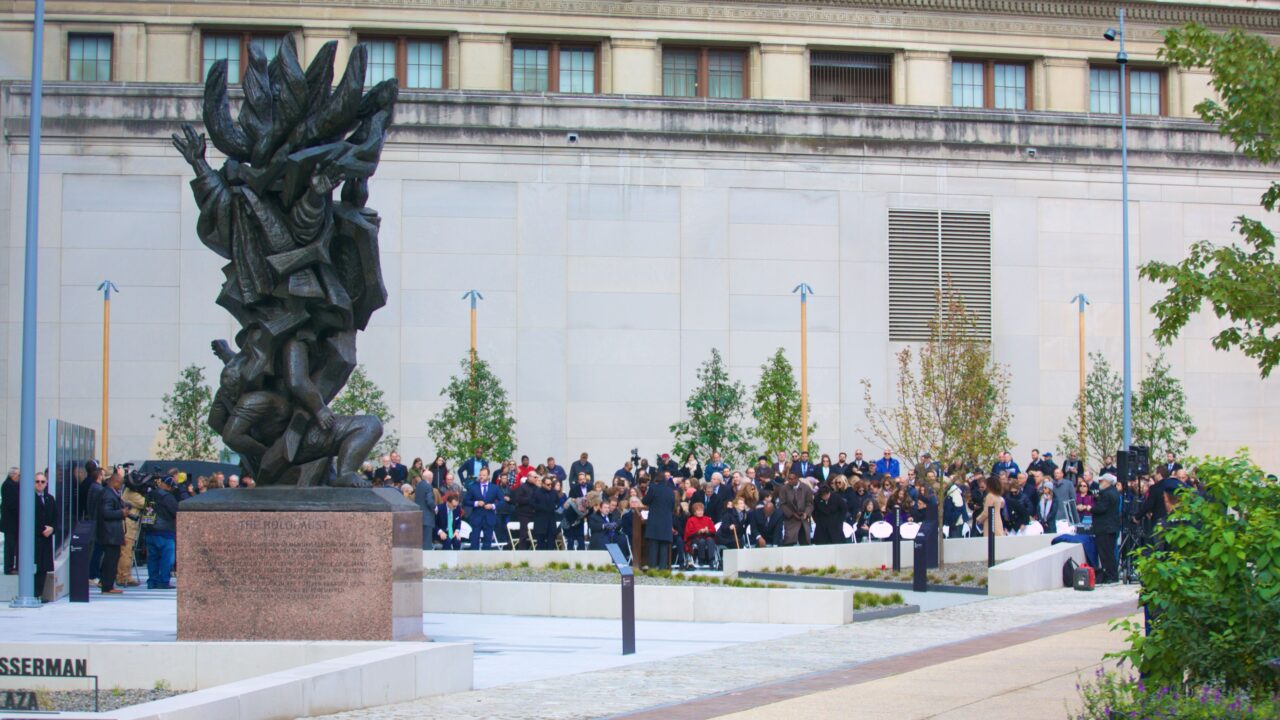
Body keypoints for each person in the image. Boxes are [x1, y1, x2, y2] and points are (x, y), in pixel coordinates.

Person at [145, 475, 179, 589]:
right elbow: (176, 511)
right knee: (167, 558)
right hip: (165, 531)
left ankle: (152, 581)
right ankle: (163, 581)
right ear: (169, 486)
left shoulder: (150, 494)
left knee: (152, 557)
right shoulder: (167, 497)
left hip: (150, 529)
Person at [96, 469, 127, 594]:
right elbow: (106, 513)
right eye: (120, 483)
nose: (121, 486)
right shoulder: (108, 494)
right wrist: (121, 513)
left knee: (112, 559)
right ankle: (107, 586)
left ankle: (107, 584)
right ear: (115, 482)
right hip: (110, 533)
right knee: (110, 560)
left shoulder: (111, 493)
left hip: (112, 532)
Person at [1091, 474, 1122, 583]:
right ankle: (1111, 574)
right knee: (1109, 553)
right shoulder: (1114, 492)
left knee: (1106, 553)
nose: (1100, 483)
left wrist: (1091, 508)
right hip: (1110, 527)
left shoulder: (1107, 494)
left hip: (1105, 527)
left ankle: (1110, 575)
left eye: (1101, 481)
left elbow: (1101, 508)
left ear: (1107, 482)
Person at [32, 473, 58, 600]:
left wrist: (52, 529)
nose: (40, 484)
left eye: (42, 482)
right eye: (37, 481)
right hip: (34, 538)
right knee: (35, 567)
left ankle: (39, 594)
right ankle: (33, 593)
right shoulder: (29, 498)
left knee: (43, 568)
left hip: (46, 539)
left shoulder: (50, 498)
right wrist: (42, 529)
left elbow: (55, 517)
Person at [641, 473, 675, 569]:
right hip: (666, 522)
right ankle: (663, 569)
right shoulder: (670, 491)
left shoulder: (653, 489)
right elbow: (672, 506)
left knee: (653, 546)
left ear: (656, 481)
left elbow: (645, 501)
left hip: (655, 522)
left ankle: (652, 569)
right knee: (664, 547)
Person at [463, 468, 499, 550]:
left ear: (488, 476)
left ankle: (486, 561)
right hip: (477, 517)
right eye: (480, 475)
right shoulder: (473, 487)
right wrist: (476, 503)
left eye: (484, 475)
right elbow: (465, 501)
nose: (481, 477)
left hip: (489, 517)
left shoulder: (494, 488)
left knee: (487, 541)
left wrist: (493, 506)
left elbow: (501, 501)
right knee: (474, 540)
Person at [778, 472, 814, 546]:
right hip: (790, 519)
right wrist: (792, 514)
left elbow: (810, 503)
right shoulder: (784, 489)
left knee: (805, 542)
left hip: (803, 519)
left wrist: (806, 513)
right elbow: (782, 504)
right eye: (789, 479)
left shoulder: (806, 488)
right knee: (789, 541)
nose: (790, 481)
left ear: (797, 479)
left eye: (792, 479)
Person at [683, 502, 716, 567]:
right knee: (701, 541)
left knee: (710, 540)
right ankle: (701, 560)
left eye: (701, 510)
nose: (700, 512)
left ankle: (711, 560)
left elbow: (713, 531)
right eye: (698, 511)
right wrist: (699, 532)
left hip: (706, 537)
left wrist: (707, 531)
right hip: (695, 538)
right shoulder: (691, 520)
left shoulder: (707, 519)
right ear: (694, 512)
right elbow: (688, 534)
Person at [1, 467, 18, 574]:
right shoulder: (8, 485)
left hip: (13, 522)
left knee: (12, 545)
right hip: (10, 523)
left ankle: (11, 567)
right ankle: (9, 568)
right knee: (10, 546)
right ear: (13, 475)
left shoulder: (12, 485)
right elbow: (12, 504)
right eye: (18, 475)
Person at [414, 471, 436, 551]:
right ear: (430, 478)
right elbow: (429, 501)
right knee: (427, 543)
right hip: (427, 518)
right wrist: (435, 508)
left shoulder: (419, 485)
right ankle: (427, 562)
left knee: (420, 543)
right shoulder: (428, 486)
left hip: (419, 517)